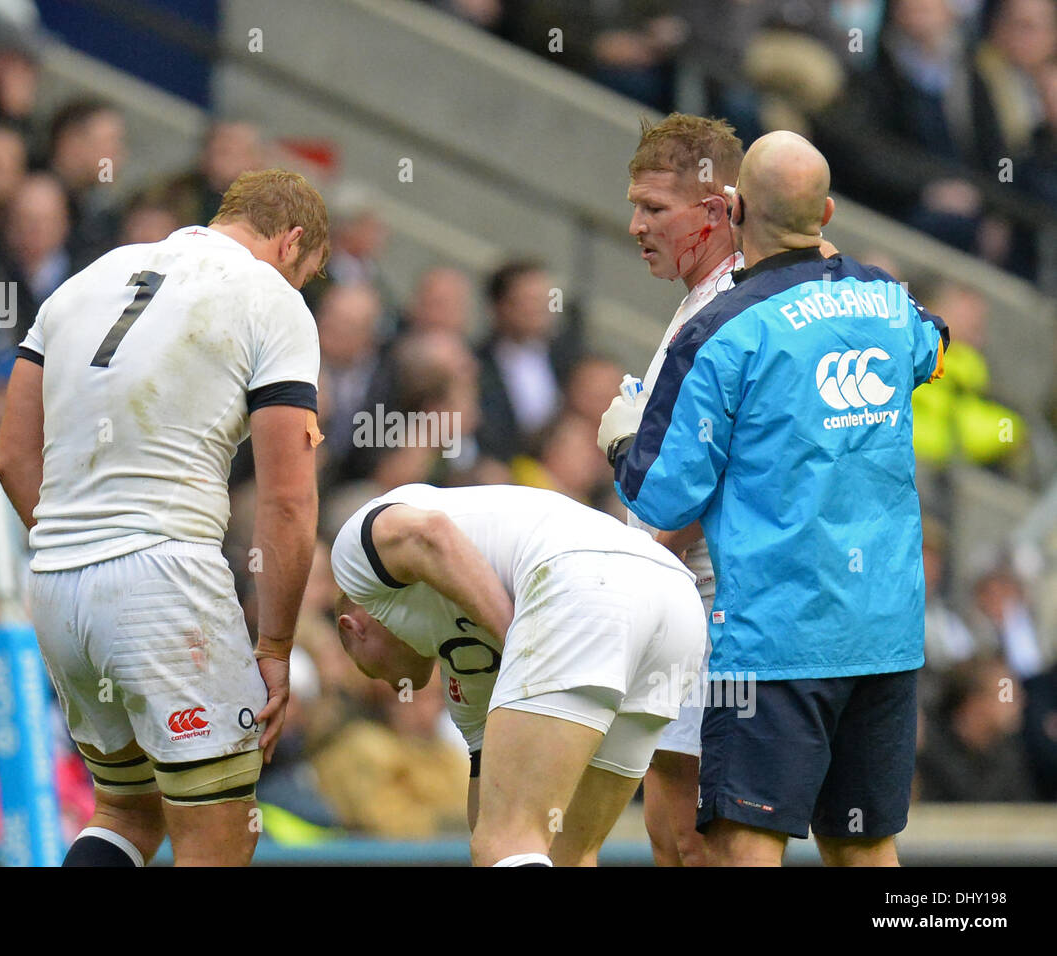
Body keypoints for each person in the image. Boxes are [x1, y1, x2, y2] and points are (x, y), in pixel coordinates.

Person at [600, 131, 950, 866]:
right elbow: (935, 347)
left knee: (740, 848)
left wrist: (620, 443)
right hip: (884, 633)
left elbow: (662, 500)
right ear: (826, 210)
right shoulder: (888, 303)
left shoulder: (722, 331)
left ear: (730, 209)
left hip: (774, 638)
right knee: (863, 848)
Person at [0, 169, 329, 867]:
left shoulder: (83, 281)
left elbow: (11, 458)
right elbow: (289, 499)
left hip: (56, 578)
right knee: (219, 831)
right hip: (165, 579)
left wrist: (78, 544)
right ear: (292, 241)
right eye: (308, 274)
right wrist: (274, 645)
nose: (301, 289)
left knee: (125, 812)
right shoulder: (271, 299)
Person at [330, 482, 706, 866]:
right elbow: (484, 812)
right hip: (673, 600)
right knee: (565, 854)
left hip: (584, 583)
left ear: (351, 627)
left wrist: (520, 643)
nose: (394, 685)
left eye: (367, 669)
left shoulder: (352, 559)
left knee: (508, 841)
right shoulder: (465, 665)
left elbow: (430, 532)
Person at [616, 112, 745, 867]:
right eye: (634, 204)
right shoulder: (700, 299)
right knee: (671, 837)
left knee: (696, 842)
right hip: (679, 602)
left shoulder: (732, 310)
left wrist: (636, 579)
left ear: (714, 210)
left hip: (705, 610)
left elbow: (709, 474)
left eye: (654, 209)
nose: (634, 224)